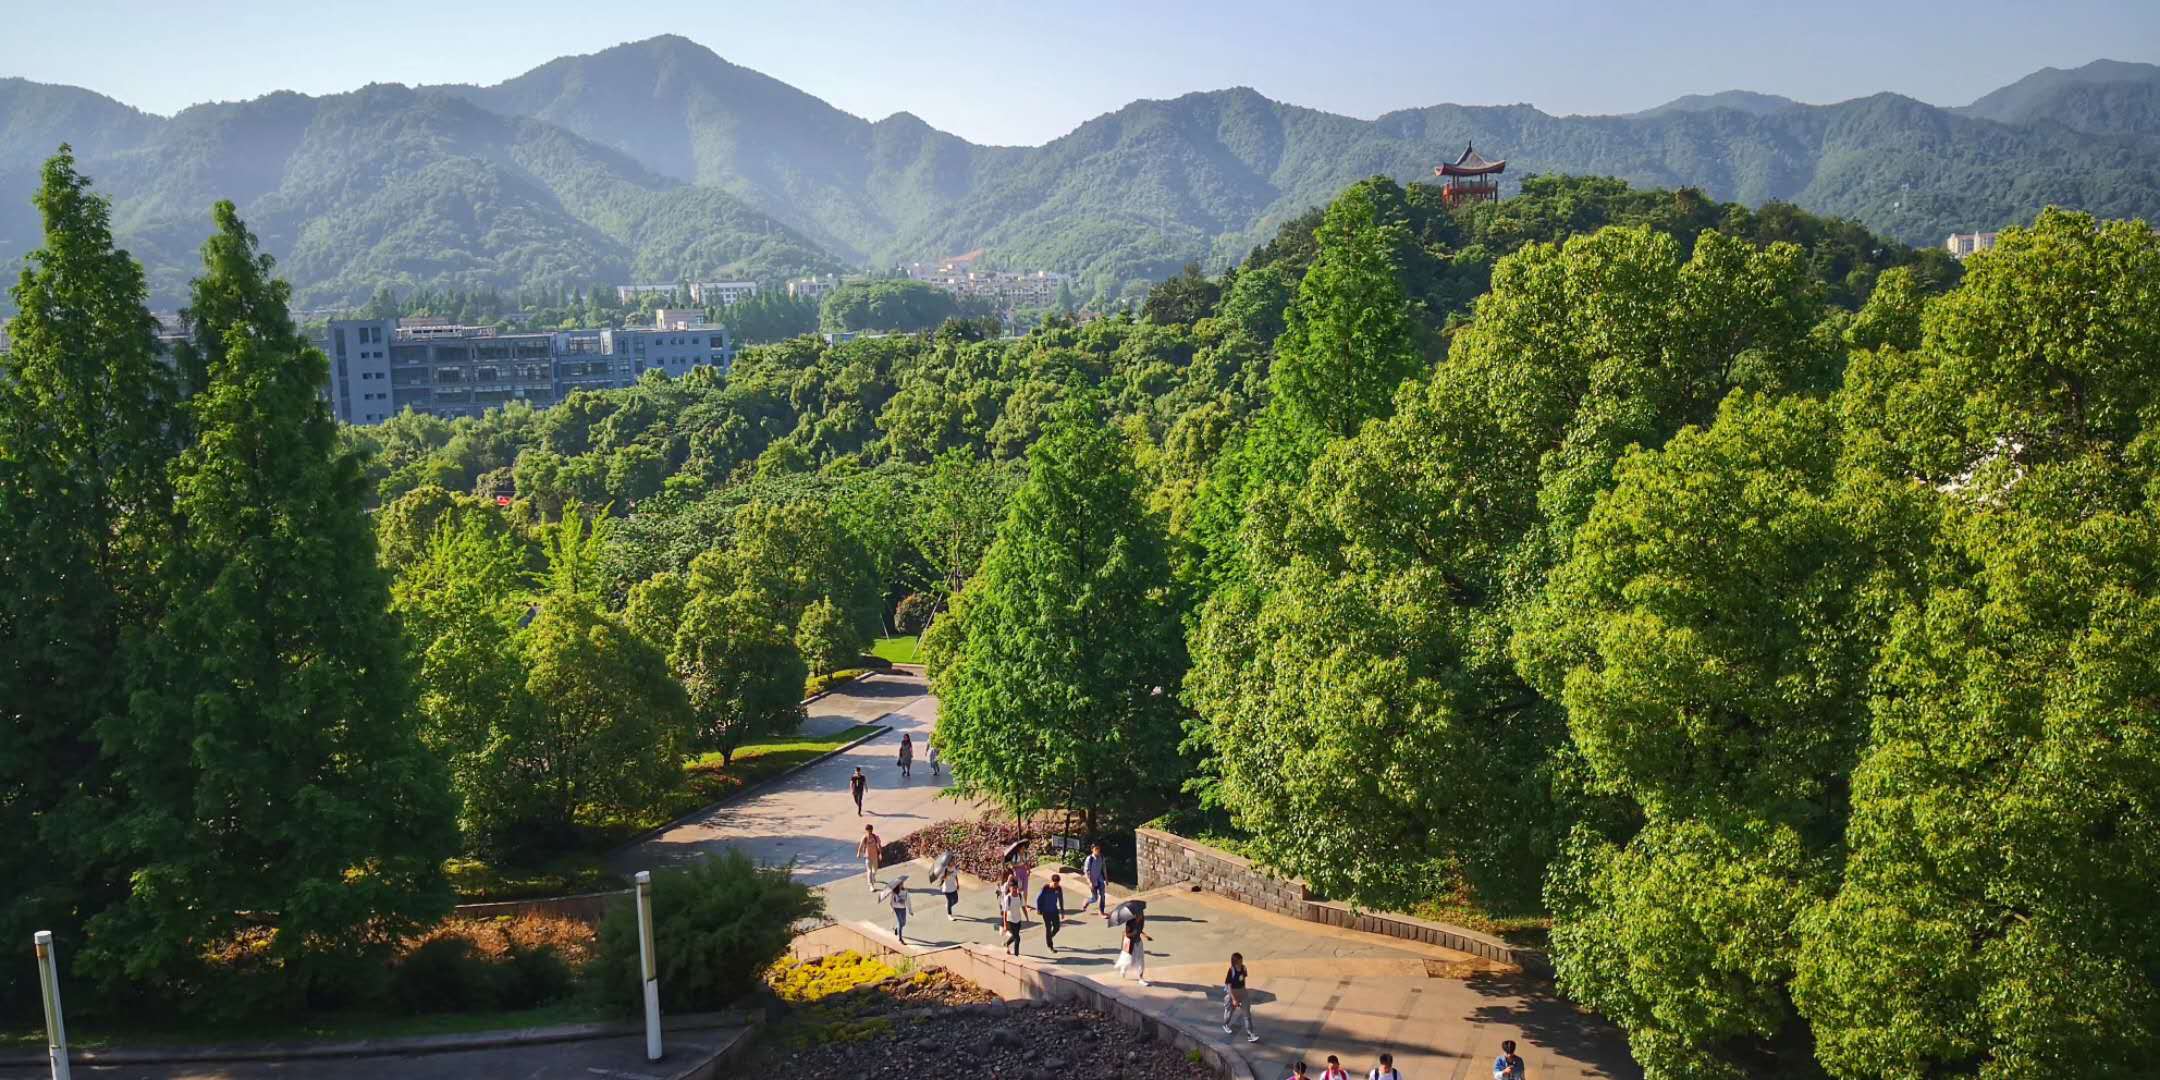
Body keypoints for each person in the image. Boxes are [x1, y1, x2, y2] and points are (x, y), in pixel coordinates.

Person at [1221, 951, 1257, 1043]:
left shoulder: (1244, 968)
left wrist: (1244, 991)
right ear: (1235, 962)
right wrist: (1233, 999)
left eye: (1241, 960)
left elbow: (1243, 980)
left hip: (1242, 992)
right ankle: (1225, 1024)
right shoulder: (1231, 971)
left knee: (1247, 1015)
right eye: (1239, 961)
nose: (1241, 962)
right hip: (1233, 993)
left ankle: (1250, 1034)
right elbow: (1229, 986)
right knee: (1229, 1013)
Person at [1119, 911, 1152, 985]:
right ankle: (1123, 968)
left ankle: (1141, 979)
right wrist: (1133, 933)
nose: (1141, 915)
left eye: (1142, 914)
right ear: (1135, 915)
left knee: (1141, 960)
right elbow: (1127, 934)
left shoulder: (1142, 920)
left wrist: (1145, 935)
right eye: (1140, 914)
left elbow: (1140, 930)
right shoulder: (1130, 922)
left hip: (1138, 942)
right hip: (1130, 943)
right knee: (1128, 959)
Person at [1037, 873, 1067, 952]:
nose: (1056, 885)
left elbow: (1061, 900)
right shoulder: (1045, 888)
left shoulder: (1059, 889)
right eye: (1055, 883)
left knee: (1057, 927)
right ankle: (1050, 946)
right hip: (1046, 911)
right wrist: (1038, 909)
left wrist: (1062, 911)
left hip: (1054, 910)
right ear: (1051, 881)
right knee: (1048, 928)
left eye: (1057, 883)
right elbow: (1038, 899)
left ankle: (1049, 937)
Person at [1083, 841, 1109, 918]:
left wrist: (1106, 879)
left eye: (1098, 849)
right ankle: (1087, 901)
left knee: (1102, 896)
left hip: (1100, 879)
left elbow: (1104, 868)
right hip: (1092, 881)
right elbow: (1086, 871)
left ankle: (1101, 912)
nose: (1098, 850)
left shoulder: (1102, 857)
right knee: (1095, 898)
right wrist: (1089, 882)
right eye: (1096, 849)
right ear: (1092, 850)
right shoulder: (1089, 859)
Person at [999, 880, 1025, 956]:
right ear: (1010, 888)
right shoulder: (1008, 898)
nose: (1014, 889)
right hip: (1010, 920)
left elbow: (1023, 906)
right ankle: (1016, 955)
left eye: (1016, 888)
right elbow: (1005, 912)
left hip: (1018, 920)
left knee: (1014, 936)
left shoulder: (1020, 895)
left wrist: (1027, 917)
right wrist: (1005, 924)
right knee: (1017, 938)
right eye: (1013, 888)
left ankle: (1006, 944)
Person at [858, 824, 882, 890]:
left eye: (869, 830)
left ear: (871, 830)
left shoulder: (875, 837)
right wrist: (858, 853)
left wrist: (880, 854)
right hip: (868, 856)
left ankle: (873, 876)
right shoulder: (864, 838)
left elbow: (879, 846)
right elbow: (861, 846)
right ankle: (871, 885)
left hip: (875, 856)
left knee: (875, 870)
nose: (868, 832)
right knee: (869, 871)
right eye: (867, 830)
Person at [888, 880, 912, 945]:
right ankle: (900, 939)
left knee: (903, 923)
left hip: (903, 909)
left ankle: (896, 928)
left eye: (902, 884)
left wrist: (910, 910)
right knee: (900, 923)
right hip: (897, 909)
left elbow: (908, 901)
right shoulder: (893, 892)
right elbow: (891, 902)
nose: (902, 885)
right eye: (901, 884)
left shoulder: (905, 891)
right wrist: (892, 908)